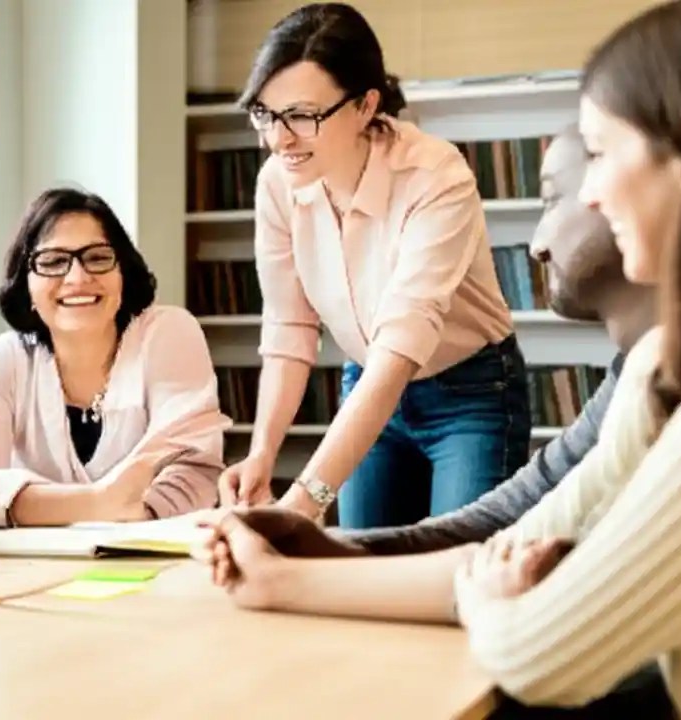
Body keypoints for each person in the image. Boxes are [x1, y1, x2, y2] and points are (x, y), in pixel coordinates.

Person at [219, 0, 681, 716]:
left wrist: (313, 509)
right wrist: (295, 560)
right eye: (266, 115)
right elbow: (520, 530)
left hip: (458, 384)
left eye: (597, 155)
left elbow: (543, 654)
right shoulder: (671, 358)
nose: (590, 196)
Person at [205, 128, 671, 717]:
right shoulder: (634, 373)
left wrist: (285, 575)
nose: (536, 245)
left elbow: (563, 594)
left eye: (553, 198)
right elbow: (513, 517)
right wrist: (315, 546)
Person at [219, 3, 530, 529]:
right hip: (363, 380)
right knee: (359, 567)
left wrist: (307, 497)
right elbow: (290, 326)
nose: (279, 138)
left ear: (366, 105)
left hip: (469, 396)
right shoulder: (278, 181)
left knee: (447, 575)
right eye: (265, 114)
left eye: (302, 115)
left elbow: (399, 349)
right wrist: (261, 455)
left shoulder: (436, 176)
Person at [0, 188, 229, 526]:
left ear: (123, 271)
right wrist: (100, 503)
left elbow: (194, 468)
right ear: (26, 284)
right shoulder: (10, 358)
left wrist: (136, 512)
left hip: (155, 561)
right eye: (52, 262)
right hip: (33, 568)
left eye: (97, 257)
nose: (78, 278)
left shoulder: (168, 333)